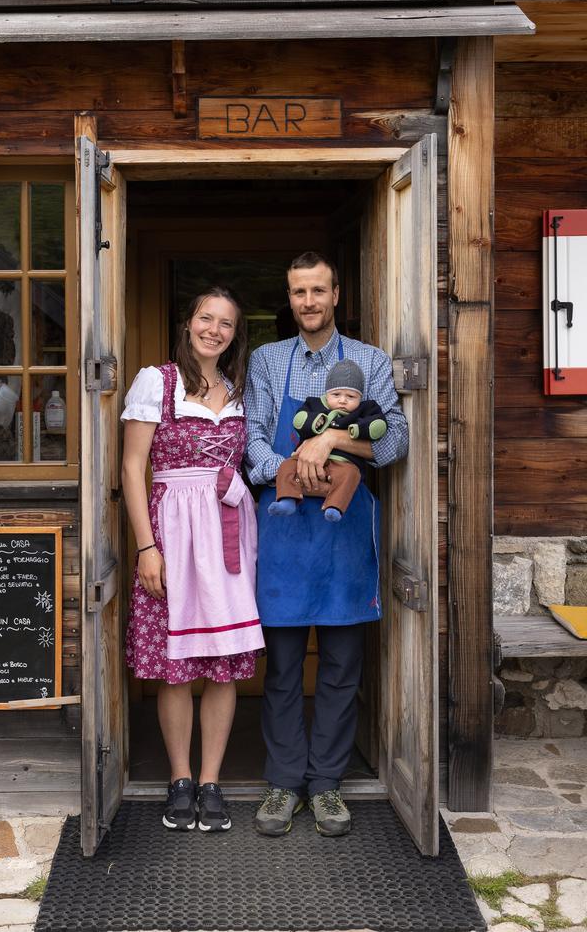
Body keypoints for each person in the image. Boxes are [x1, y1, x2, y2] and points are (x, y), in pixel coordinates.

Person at [245, 252, 408, 837]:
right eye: (297, 292)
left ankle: (328, 785)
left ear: (336, 294)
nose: (307, 302)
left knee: (341, 667)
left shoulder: (369, 360)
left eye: (317, 290)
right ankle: (284, 783)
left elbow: (392, 444)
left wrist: (331, 439)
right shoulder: (266, 360)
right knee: (284, 668)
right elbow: (254, 442)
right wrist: (294, 464)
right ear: (288, 299)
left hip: (343, 536)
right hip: (286, 530)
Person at [121, 287, 264, 834]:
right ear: (188, 323)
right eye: (206, 317)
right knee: (175, 666)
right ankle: (180, 779)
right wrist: (145, 546)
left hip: (228, 531)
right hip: (171, 531)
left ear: (235, 334)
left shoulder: (240, 389)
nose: (215, 329)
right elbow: (134, 468)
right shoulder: (156, 382)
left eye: (226, 323)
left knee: (224, 663)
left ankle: (211, 780)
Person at [269, 358, 387, 522]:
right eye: (336, 394)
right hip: (303, 461)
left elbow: (378, 425)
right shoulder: (314, 404)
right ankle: (287, 499)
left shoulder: (365, 409)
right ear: (327, 393)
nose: (342, 400)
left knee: (351, 475)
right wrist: (314, 423)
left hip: (343, 463)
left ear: (361, 397)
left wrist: (357, 429)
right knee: (286, 466)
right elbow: (300, 419)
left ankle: (335, 506)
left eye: (351, 396)